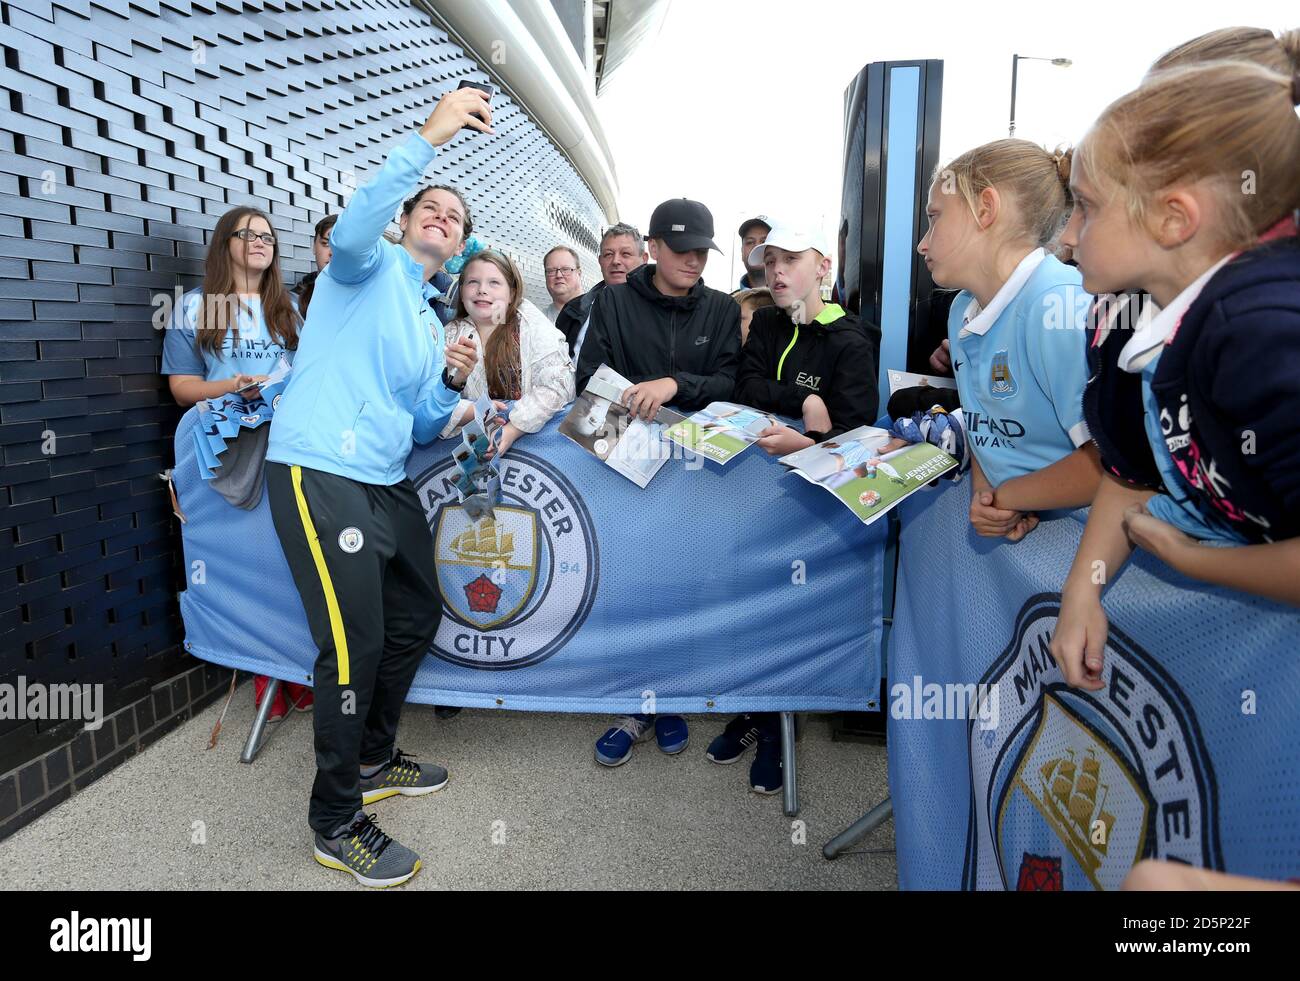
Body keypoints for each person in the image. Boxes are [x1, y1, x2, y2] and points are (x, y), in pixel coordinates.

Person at [263, 86, 491, 888]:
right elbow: (358, 215)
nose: (443, 216)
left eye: (456, 218)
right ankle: (334, 819)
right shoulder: (368, 262)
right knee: (351, 644)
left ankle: (373, 755)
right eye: (431, 206)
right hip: (319, 468)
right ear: (406, 219)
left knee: (419, 609)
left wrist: (449, 383)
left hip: (385, 479)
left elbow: (423, 423)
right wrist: (429, 139)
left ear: (460, 246)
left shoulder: (431, 318)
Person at [1051, 37, 1300, 691]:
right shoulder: (1188, 323)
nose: (1068, 237)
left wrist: (1195, 559)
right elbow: (1136, 468)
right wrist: (1085, 589)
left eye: (1088, 207)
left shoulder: (1259, 335)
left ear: (1173, 218)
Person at [577, 196, 741, 767]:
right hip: (625, 469)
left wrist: (674, 385)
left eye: (703, 251)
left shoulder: (721, 308)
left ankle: (669, 698)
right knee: (627, 585)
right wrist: (633, 404)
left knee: (683, 587)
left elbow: (731, 382)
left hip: (697, 480)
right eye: (683, 250)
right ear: (653, 248)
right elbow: (587, 380)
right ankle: (632, 704)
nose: (695, 260)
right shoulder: (614, 301)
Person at [161, 205, 309, 722]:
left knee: (296, 556)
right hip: (230, 453)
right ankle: (266, 669)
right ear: (225, 243)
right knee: (255, 560)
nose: (259, 241)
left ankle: (303, 669)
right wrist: (233, 385)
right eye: (246, 234)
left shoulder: (288, 307)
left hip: (290, 447)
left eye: (267, 235)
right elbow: (181, 389)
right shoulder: (196, 307)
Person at [916, 139, 1100, 543]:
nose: (922, 244)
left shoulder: (1060, 306)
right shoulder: (961, 309)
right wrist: (986, 493)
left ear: (985, 209)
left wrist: (1011, 495)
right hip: (1029, 539)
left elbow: (1109, 464)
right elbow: (984, 427)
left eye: (935, 218)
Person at [734, 220, 881, 458]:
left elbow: (854, 437)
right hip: (752, 470)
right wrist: (806, 399)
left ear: (822, 267)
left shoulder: (851, 341)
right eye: (770, 260)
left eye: (791, 258)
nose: (776, 270)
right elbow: (745, 387)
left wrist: (808, 444)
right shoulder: (764, 321)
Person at [444, 249, 576, 455]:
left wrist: (513, 429)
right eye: (473, 282)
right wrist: (471, 412)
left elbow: (559, 385)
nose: (482, 290)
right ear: (461, 291)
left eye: (494, 283)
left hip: (533, 451)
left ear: (512, 293)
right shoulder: (450, 334)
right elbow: (428, 398)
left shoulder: (533, 327)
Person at [557, 223, 647, 356]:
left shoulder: (663, 309)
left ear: (644, 259)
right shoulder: (572, 310)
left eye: (625, 254)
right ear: (600, 261)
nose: (616, 261)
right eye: (608, 254)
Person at [293, 213, 338, 320]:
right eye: (326, 244)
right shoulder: (294, 300)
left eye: (339, 246)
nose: (332, 252)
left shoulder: (366, 296)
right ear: (314, 247)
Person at [542, 245, 583, 322]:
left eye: (566, 269)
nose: (558, 275)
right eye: (551, 271)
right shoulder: (538, 322)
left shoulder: (599, 313)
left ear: (579, 274)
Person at [737, 215, 770, 289]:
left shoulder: (796, 299)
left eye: (764, 241)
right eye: (750, 242)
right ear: (742, 252)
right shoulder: (727, 300)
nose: (756, 247)